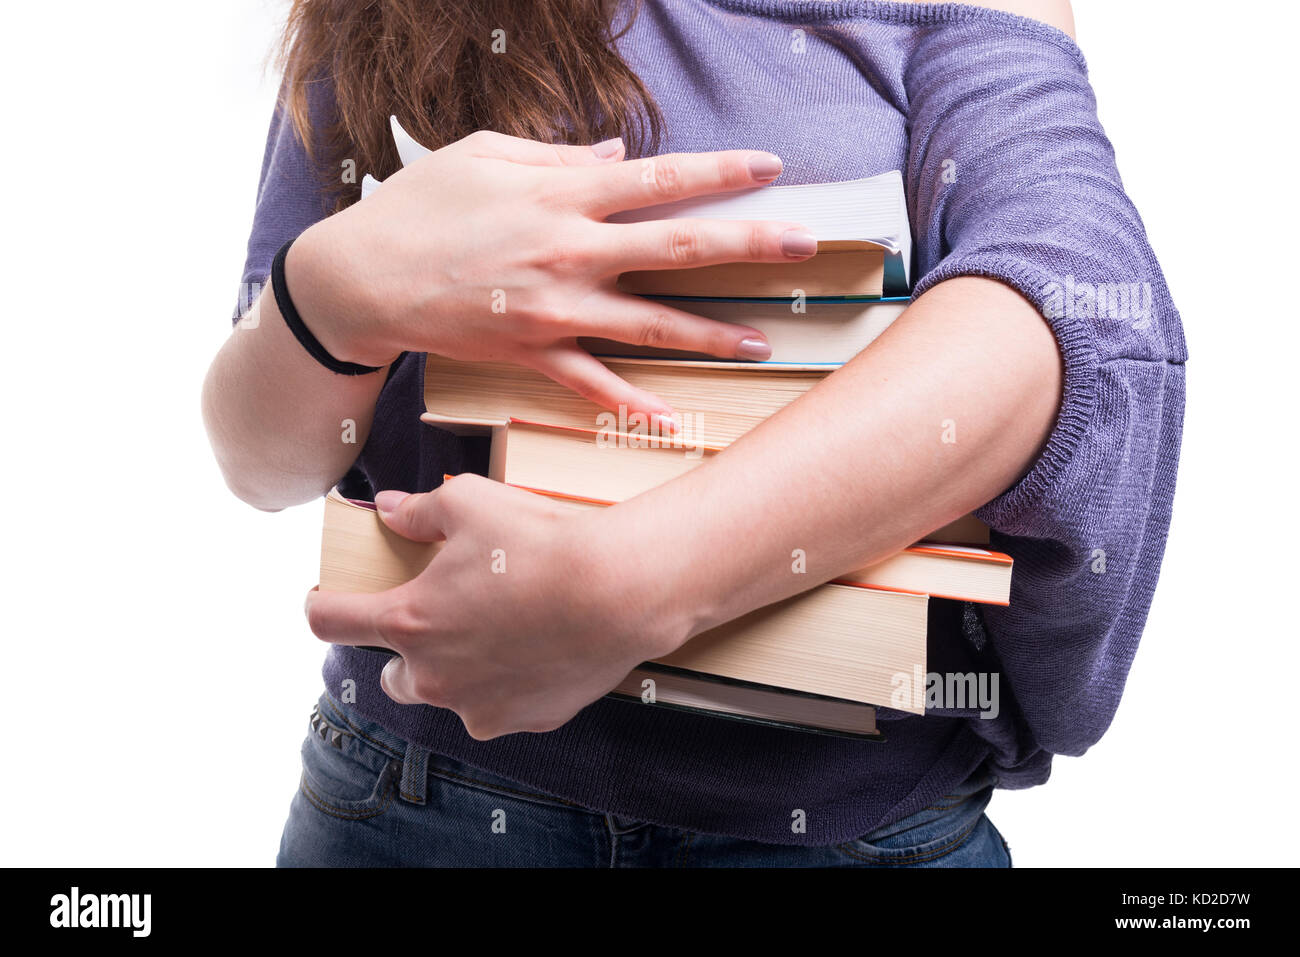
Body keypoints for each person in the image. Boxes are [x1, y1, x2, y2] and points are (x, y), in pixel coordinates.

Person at [202, 0, 1184, 867]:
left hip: (851, 831)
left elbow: (1069, 316)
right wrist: (330, 297)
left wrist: (632, 583)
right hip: (411, 791)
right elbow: (264, 463)